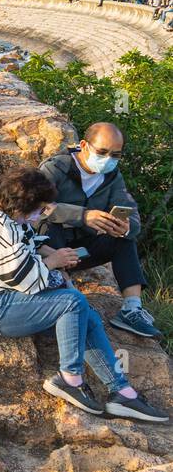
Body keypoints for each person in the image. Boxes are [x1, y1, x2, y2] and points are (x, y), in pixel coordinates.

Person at [0, 167, 167, 422]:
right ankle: (70, 378)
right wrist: (54, 261)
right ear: (20, 207)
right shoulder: (0, 232)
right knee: (73, 303)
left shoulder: (9, 217)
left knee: (86, 314)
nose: (42, 215)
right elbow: (26, 281)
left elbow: (29, 242)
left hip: (10, 298)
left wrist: (50, 253)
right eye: (39, 210)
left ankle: (121, 392)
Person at [40, 122, 158, 338]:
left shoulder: (113, 177)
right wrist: (83, 215)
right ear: (84, 145)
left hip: (82, 251)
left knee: (123, 238)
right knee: (50, 222)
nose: (108, 160)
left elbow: (131, 212)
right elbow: (36, 206)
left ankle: (132, 309)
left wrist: (125, 226)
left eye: (115, 155)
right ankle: (68, 294)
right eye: (102, 152)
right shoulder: (56, 168)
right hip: (50, 254)